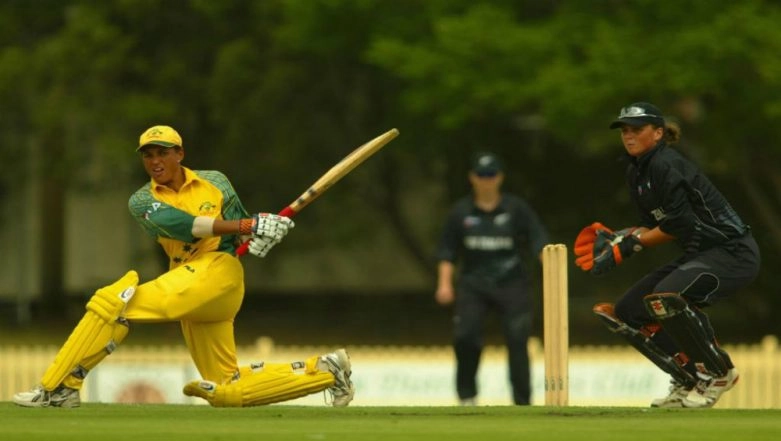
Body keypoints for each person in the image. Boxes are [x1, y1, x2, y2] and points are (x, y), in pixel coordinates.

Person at [13, 125, 355, 408]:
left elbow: (240, 230)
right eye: (148, 155)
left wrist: (264, 233)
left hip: (220, 272)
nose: (155, 160)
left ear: (180, 153)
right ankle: (326, 370)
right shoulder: (143, 200)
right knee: (226, 390)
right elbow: (186, 226)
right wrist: (249, 227)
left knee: (114, 302)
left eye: (163, 152)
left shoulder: (216, 182)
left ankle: (58, 388)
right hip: (191, 282)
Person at [574, 102, 760, 408]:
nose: (628, 136)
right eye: (624, 130)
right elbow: (653, 226)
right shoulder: (637, 172)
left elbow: (677, 225)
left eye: (637, 130)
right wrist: (620, 237)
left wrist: (631, 245)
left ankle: (718, 372)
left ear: (658, 133)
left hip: (732, 251)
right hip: (700, 253)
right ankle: (689, 378)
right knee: (629, 310)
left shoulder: (666, 164)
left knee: (666, 296)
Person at [435, 151, 550, 406]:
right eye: (481, 175)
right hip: (473, 284)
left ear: (500, 178)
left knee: (518, 340)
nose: (486, 180)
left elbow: (539, 243)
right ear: (472, 178)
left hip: (513, 283)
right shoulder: (460, 212)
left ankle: (522, 402)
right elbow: (447, 251)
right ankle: (467, 397)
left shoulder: (517, 209)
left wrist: (552, 273)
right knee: (465, 337)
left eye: (491, 174)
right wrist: (444, 284)